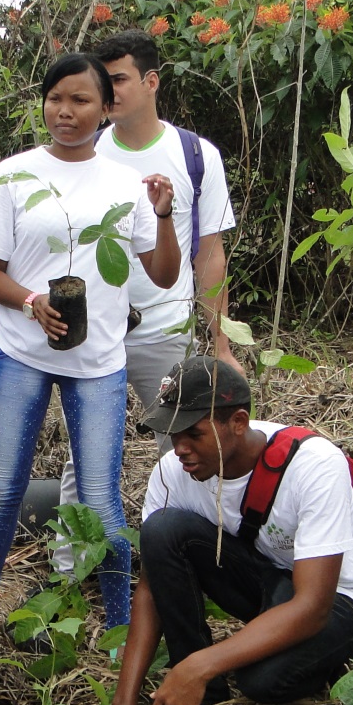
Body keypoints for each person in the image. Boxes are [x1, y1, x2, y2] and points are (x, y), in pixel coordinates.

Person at [67, 356, 353, 705]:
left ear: (237, 422)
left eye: (193, 434)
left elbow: (312, 608)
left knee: (261, 681)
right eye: (171, 433)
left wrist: (201, 664)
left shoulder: (313, 465)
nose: (180, 449)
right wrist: (123, 703)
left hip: (345, 598)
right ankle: (203, 703)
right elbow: (151, 587)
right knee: (162, 531)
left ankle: (318, 662)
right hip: (272, 578)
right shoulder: (172, 472)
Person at [0, 52, 179, 627]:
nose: (65, 111)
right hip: (20, 355)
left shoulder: (124, 185)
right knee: (1, 499)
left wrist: (163, 215)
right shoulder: (12, 175)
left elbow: (162, 275)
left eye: (81, 100)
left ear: (107, 109)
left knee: (104, 509)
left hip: (100, 362)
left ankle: (117, 635)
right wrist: (31, 302)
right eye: (55, 98)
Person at [50, 29, 240, 572]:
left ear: (151, 81)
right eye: (101, 84)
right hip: (101, 330)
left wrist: (220, 339)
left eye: (118, 81)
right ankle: (71, 569)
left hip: (166, 328)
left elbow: (210, 251)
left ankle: (176, 565)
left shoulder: (194, 155)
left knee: (183, 446)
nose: (107, 96)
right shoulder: (86, 150)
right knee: (84, 455)